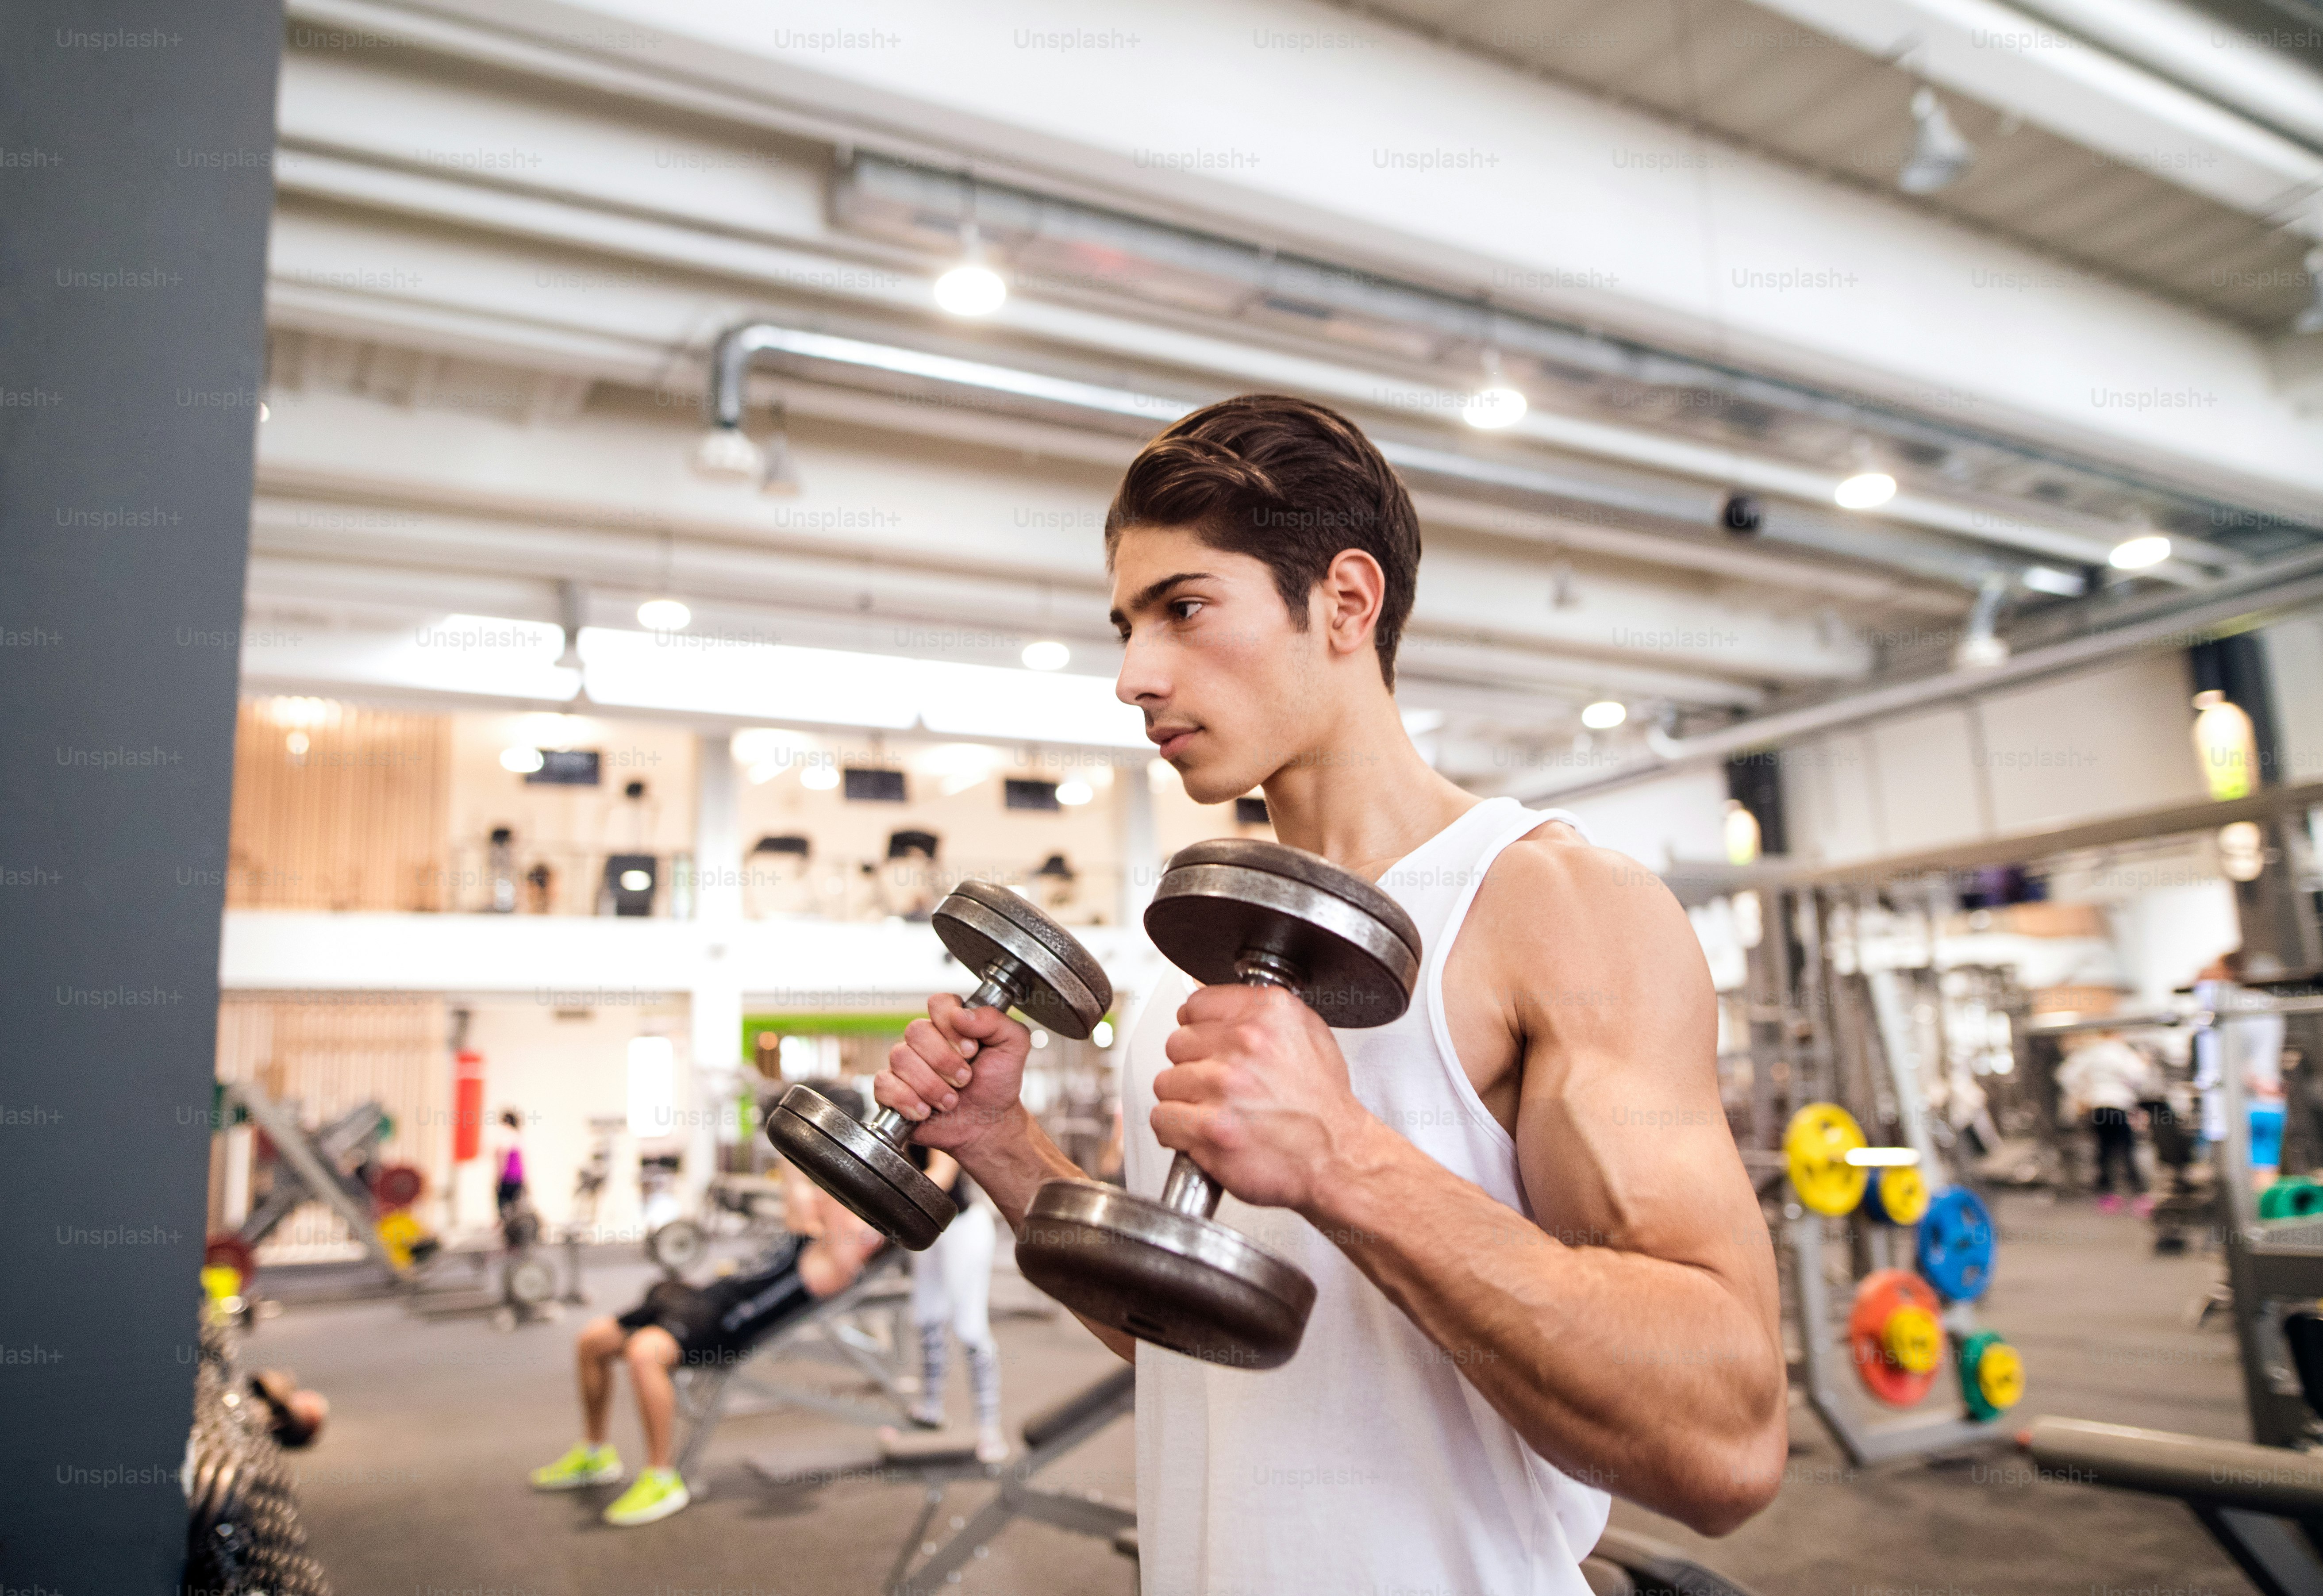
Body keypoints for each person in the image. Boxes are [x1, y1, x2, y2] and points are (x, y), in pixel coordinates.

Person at [874, 396, 1786, 1593]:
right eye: (1125, 624)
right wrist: (1004, 1147)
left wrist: (1343, 1155)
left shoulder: (1553, 904)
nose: (1132, 675)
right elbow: (1201, 1339)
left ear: (1346, 602)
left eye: (1184, 608)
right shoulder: (1187, 969)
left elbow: (1725, 1434)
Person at [529, 1083, 887, 1526]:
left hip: (728, 1326)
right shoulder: (808, 1232)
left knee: (645, 1354)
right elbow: (799, 1186)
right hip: (704, 1300)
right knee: (593, 1340)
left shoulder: (834, 1263)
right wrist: (792, 1131)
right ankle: (595, 1451)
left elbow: (844, 1221)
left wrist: (837, 1151)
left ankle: (662, 1477)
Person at [884, 1147, 1007, 1462]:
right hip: (927, 1227)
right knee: (927, 1317)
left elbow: (942, 1174)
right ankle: (931, 1407)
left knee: (970, 1327)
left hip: (963, 1227)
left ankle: (989, 1429)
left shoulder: (935, 1118)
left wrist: (890, 1203)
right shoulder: (895, 1115)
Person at [2057, 1031, 2158, 1210]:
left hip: (2099, 1107)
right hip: (2119, 1106)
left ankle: (2107, 1196)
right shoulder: (2122, 1052)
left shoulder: (2090, 1053)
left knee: (2104, 1150)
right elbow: (2139, 1078)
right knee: (2127, 1150)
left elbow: (2065, 1075)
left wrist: (2083, 1093)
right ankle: (2140, 1197)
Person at [491, 1108, 527, 1219]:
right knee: (516, 1208)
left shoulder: (506, 1136)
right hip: (518, 1178)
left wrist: (498, 1178)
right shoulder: (519, 1137)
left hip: (507, 1178)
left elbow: (502, 1158)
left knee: (504, 1207)